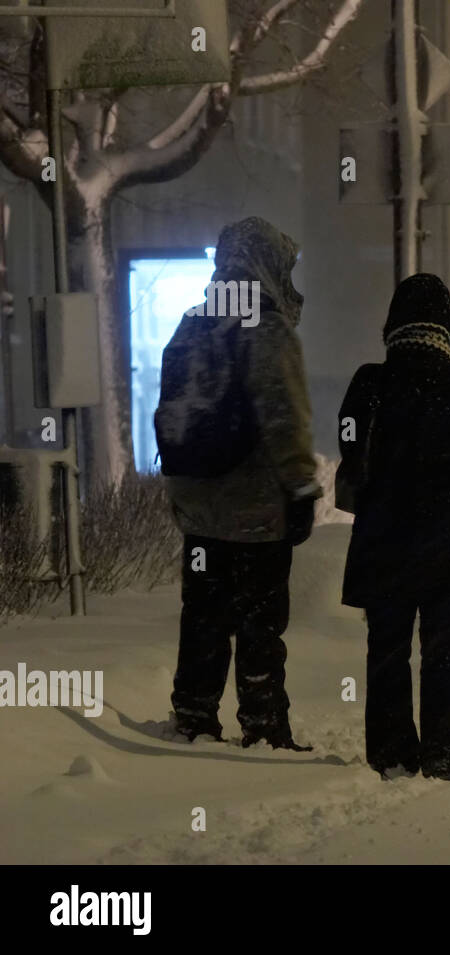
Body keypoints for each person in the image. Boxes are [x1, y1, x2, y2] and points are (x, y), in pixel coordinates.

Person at [163, 216, 320, 749]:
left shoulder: (192, 323)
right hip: (255, 509)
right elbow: (284, 415)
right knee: (260, 621)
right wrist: (301, 487)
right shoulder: (266, 326)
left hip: (199, 508)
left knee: (203, 614)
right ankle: (264, 725)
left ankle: (192, 716)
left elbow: (171, 413)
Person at [339, 274, 450, 780]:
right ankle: (446, 750)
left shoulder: (369, 381)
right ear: (446, 325)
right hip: (448, 535)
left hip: (384, 534)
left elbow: (348, 442)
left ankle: (391, 752)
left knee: (386, 646)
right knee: (444, 647)